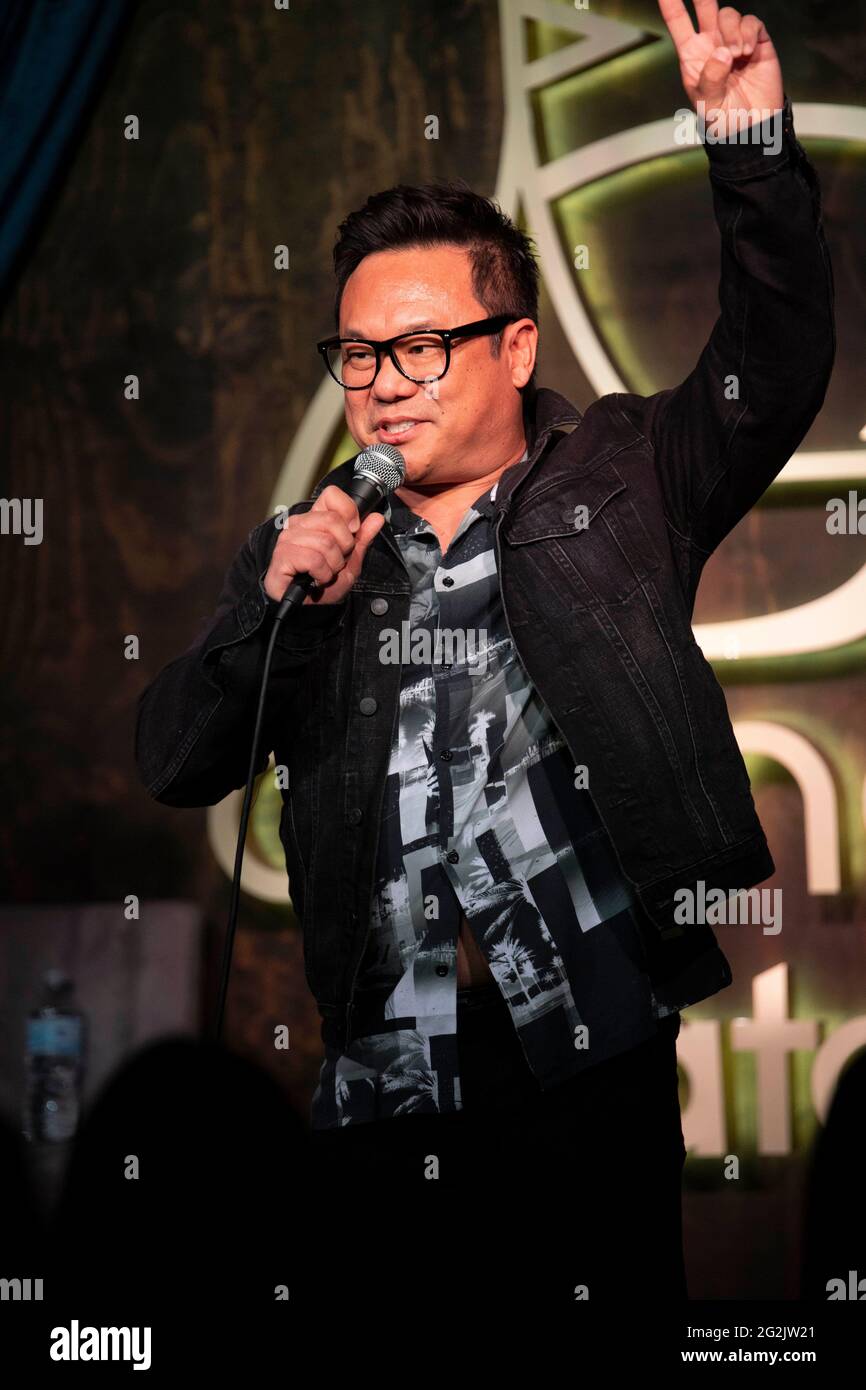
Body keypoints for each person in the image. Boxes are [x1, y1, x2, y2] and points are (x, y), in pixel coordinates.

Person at [135, 1, 834, 1313]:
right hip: (381, 1079)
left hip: (583, 1066)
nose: (385, 380)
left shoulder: (621, 478)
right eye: (357, 354)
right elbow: (175, 754)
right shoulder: (310, 548)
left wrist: (746, 148)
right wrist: (272, 619)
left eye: (419, 345)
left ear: (514, 345)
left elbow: (772, 363)